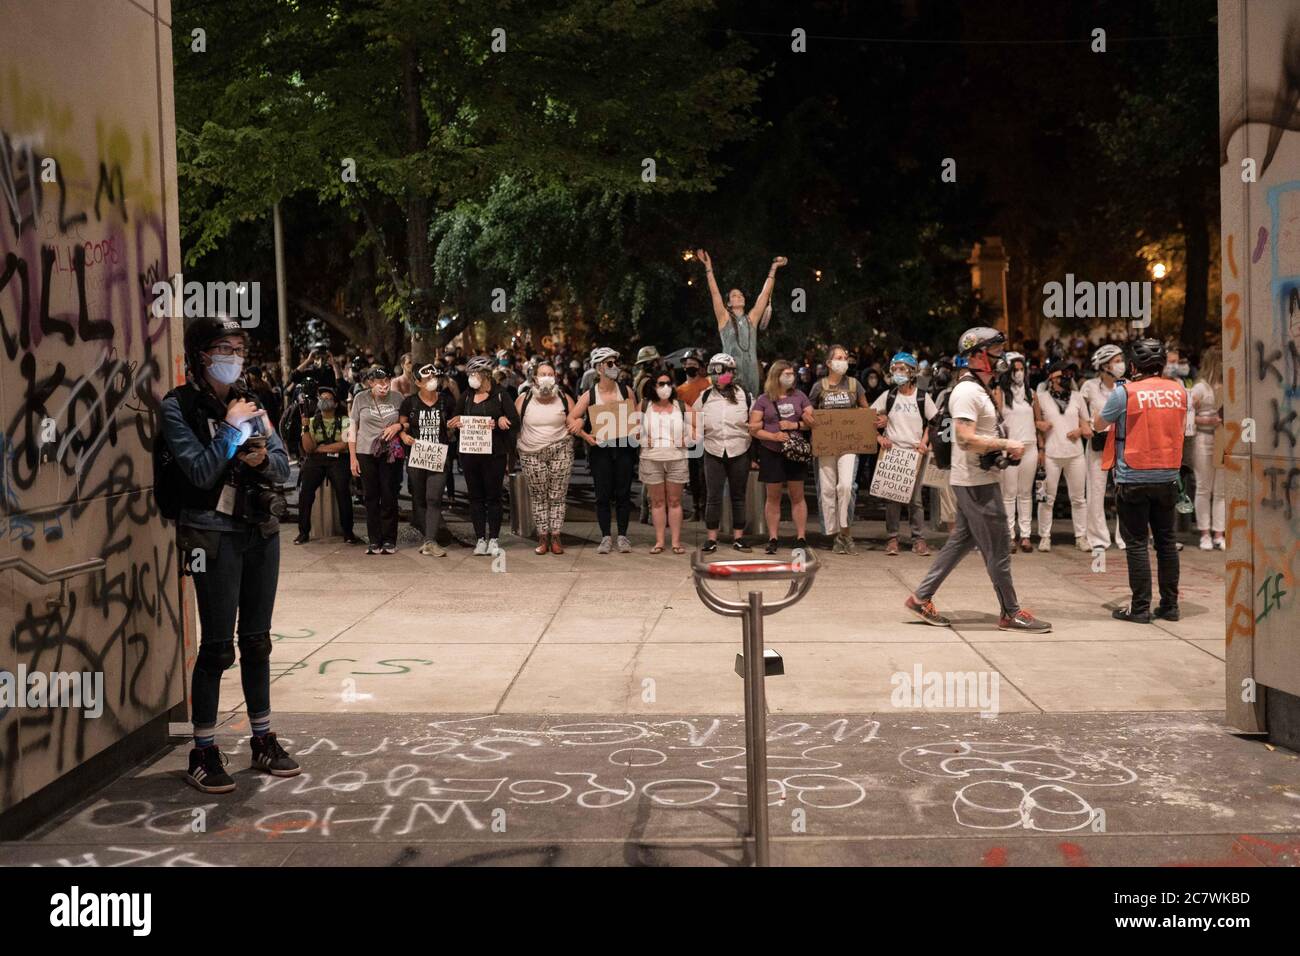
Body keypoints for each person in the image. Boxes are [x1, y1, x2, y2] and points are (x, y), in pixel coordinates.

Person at [159, 317, 299, 792]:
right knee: (217, 647)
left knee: (257, 640)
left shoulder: (252, 401)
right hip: (210, 533)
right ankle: (202, 749)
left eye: (238, 347)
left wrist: (262, 456)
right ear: (200, 354)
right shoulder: (178, 407)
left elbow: (284, 465)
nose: (232, 356)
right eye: (222, 347)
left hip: (260, 529)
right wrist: (231, 433)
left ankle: (262, 739)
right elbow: (198, 472)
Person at [904, 327, 1051, 633]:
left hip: (976, 478)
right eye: (996, 350)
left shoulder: (980, 389)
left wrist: (1004, 448)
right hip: (976, 483)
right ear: (977, 355)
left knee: (960, 542)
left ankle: (921, 598)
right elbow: (965, 438)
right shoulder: (968, 391)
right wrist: (1006, 445)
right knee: (998, 549)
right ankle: (1010, 613)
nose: (1002, 357)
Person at [1095, 338, 1187, 623]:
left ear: (1134, 365)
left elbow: (1099, 424)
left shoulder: (1126, 393)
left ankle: (1140, 608)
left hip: (1133, 475)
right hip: (1169, 475)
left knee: (1136, 544)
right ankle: (1170, 606)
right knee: (1166, 543)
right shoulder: (1180, 391)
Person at [449, 356, 520, 556]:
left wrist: (501, 421)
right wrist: (455, 423)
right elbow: (454, 417)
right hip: (470, 454)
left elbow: (515, 420)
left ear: (485, 375)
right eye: (470, 374)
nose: (472, 378)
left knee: (493, 497)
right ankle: (480, 538)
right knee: (475, 497)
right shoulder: (466, 396)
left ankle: (494, 539)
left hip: (494, 455)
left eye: (475, 374)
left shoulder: (500, 395)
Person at [568, 347, 637, 554]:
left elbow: (635, 418)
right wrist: (587, 437)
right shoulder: (590, 394)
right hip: (601, 451)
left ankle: (623, 536)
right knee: (603, 494)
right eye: (609, 364)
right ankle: (606, 536)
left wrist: (637, 430)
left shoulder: (626, 391)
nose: (614, 367)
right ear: (599, 368)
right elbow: (571, 419)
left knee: (624, 493)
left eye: (615, 363)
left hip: (624, 448)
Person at [696, 249, 788, 396]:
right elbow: (715, 294)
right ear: (729, 303)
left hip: (751, 373)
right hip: (729, 374)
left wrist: (774, 268)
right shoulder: (724, 318)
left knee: (751, 408)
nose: (739, 296)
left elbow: (764, 295)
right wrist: (708, 268)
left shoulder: (751, 319)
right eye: (734, 295)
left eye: (741, 295)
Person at [872, 351, 936, 556]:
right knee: (892, 499)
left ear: (912, 372)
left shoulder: (922, 397)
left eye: (902, 369)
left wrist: (925, 442)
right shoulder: (888, 396)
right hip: (893, 453)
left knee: (915, 499)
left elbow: (934, 422)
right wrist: (879, 437)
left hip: (913, 455)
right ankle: (892, 538)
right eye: (895, 369)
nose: (898, 373)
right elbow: (868, 419)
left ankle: (918, 539)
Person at [808, 345, 871, 553]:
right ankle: (835, 536)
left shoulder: (855, 385)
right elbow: (809, 411)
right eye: (838, 357)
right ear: (828, 363)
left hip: (849, 444)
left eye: (845, 357)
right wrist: (807, 417)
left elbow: (865, 410)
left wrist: (876, 419)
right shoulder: (819, 386)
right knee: (826, 489)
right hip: (826, 446)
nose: (843, 361)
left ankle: (846, 532)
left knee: (845, 486)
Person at [750, 359, 814, 554]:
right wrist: (773, 436)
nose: (790, 377)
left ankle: (801, 536)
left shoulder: (800, 396)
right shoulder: (763, 400)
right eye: (786, 374)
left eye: (792, 374)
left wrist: (795, 425)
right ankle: (773, 537)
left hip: (794, 451)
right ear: (775, 376)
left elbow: (812, 422)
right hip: (771, 451)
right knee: (773, 496)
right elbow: (754, 429)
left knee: (797, 495)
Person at [696, 353, 754, 553]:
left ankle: (739, 537)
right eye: (714, 371)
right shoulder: (704, 396)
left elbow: (753, 423)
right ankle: (711, 539)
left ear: (731, 373)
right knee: (713, 496)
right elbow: (694, 421)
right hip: (713, 450)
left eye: (722, 371)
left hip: (740, 450)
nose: (718, 375)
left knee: (738, 496)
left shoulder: (744, 395)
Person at [516, 361, 576, 555]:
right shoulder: (523, 399)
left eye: (550, 373)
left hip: (561, 450)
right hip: (531, 452)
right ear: (535, 378)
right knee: (539, 496)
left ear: (556, 378)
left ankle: (556, 536)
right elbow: (512, 424)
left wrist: (580, 422)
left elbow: (575, 419)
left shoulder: (564, 398)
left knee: (557, 495)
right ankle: (542, 537)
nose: (547, 377)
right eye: (543, 374)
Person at [1034, 361, 1091, 553]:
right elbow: (1035, 422)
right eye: (1060, 375)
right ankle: (1045, 536)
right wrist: (1039, 426)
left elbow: (1087, 425)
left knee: (1078, 498)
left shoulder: (1077, 397)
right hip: (1051, 453)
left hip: (1075, 454)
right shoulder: (1041, 397)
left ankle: (1081, 536)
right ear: (1051, 377)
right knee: (1047, 498)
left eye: (1067, 375)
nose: (1064, 379)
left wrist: (1079, 430)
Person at [399, 363, 456, 557]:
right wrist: (404, 436)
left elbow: (453, 426)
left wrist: (452, 427)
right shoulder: (410, 403)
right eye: (427, 379)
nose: (432, 381)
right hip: (416, 458)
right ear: (417, 382)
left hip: (439, 457)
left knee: (434, 497)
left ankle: (431, 541)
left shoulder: (446, 401)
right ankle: (427, 539)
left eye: (434, 378)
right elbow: (402, 426)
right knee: (419, 498)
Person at [639, 370, 697, 553]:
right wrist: (641, 438)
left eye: (667, 383)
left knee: (674, 500)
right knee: (656, 501)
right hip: (651, 458)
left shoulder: (680, 406)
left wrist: (688, 439)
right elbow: (632, 429)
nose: (664, 387)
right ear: (653, 386)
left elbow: (699, 425)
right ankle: (659, 541)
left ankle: (676, 542)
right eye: (660, 384)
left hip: (676, 458)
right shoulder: (644, 405)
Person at [348, 366, 404, 554]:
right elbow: (352, 428)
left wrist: (397, 426)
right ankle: (374, 540)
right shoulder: (360, 399)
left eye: (387, 380)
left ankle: (389, 539)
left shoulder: (397, 398)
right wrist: (353, 458)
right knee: (371, 496)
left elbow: (407, 422)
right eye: (379, 382)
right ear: (370, 382)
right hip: (366, 452)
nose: (384, 385)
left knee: (389, 494)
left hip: (389, 452)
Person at [295, 383, 360, 545]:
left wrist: (321, 448)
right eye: (322, 398)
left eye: (328, 398)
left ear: (336, 403)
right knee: (305, 492)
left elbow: (345, 444)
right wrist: (305, 428)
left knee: (343, 490)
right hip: (316, 461)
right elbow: (308, 448)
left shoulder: (345, 420)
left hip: (339, 459)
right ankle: (303, 532)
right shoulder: (310, 421)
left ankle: (348, 531)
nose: (324, 401)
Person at [1080, 344, 1126, 551]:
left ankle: (1125, 536)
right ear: (1105, 365)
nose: (1121, 365)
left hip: (1122, 442)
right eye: (1117, 361)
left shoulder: (1126, 385)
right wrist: (1086, 426)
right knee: (1096, 490)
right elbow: (1080, 413)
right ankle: (1098, 538)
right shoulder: (1089, 386)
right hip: (1098, 442)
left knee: (1124, 489)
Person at [998, 352, 1038, 553]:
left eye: (1022, 369)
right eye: (1015, 369)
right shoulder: (1001, 393)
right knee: (1009, 493)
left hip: (1030, 445)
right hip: (1010, 447)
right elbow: (996, 420)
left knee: (1025, 493)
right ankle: (1008, 535)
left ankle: (1026, 535)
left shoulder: (1031, 393)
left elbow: (1037, 421)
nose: (1019, 373)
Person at [1190, 346, 1226, 550]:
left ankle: (1219, 533)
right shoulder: (1200, 388)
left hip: (1223, 440)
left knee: (1221, 490)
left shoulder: (1229, 385)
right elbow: (1186, 414)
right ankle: (1204, 533)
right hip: (1203, 438)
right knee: (1204, 487)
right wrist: (1207, 419)